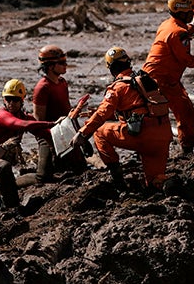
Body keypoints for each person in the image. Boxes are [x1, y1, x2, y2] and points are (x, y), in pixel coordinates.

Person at [70, 47, 172, 191]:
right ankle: (165, 183)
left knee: (99, 132)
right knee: (155, 181)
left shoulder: (118, 87)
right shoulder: (146, 80)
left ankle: (117, 179)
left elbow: (102, 113)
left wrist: (82, 133)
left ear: (111, 68)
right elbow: (141, 108)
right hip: (163, 136)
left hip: (143, 136)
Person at [144, 0, 194, 155]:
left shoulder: (168, 24)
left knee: (156, 117)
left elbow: (181, 34)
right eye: (191, 11)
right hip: (162, 81)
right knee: (185, 113)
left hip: (154, 77)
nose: (192, 14)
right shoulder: (177, 33)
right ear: (182, 11)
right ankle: (187, 151)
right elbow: (187, 60)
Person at [0, 79, 54, 206]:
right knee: (3, 168)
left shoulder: (24, 117)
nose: (11, 103)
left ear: (22, 100)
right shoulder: (1, 115)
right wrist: (52, 123)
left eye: (15, 100)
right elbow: (20, 125)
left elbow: (45, 133)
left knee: (45, 139)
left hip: (2, 161)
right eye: (8, 99)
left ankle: (39, 177)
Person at [31, 46, 71, 178]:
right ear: (50, 66)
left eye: (65, 62)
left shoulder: (62, 83)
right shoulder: (42, 88)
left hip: (65, 132)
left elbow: (67, 110)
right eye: (61, 63)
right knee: (42, 177)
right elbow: (38, 122)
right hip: (49, 135)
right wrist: (52, 144)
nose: (66, 65)